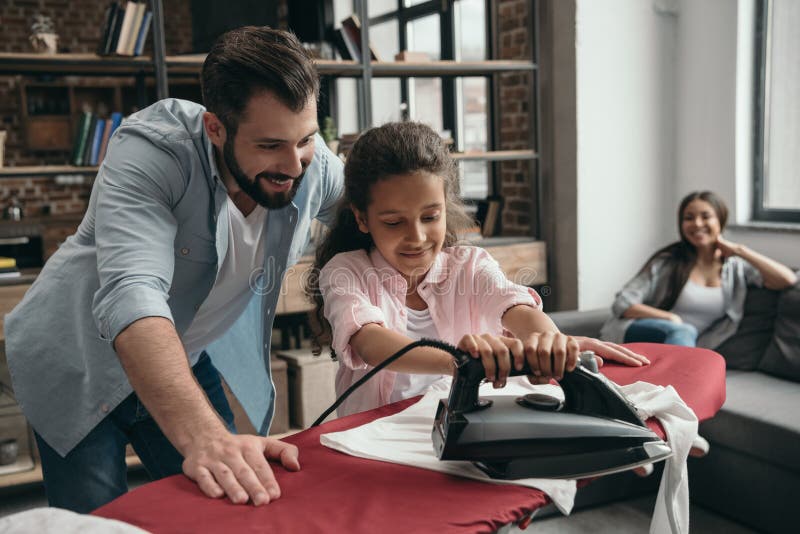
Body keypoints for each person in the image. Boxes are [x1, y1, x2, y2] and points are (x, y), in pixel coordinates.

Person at [5, 27, 344, 513]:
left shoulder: (312, 164)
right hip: (77, 359)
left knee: (231, 505)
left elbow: (376, 217)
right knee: (100, 521)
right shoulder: (153, 150)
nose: (294, 164)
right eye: (270, 145)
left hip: (181, 354)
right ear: (215, 128)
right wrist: (205, 437)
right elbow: (133, 294)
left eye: (306, 139)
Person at [307, 122, 649, 417]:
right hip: (375, 439)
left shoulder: (469, 266)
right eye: (394, 222)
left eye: (430, 217)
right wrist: (464, 361)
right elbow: (370, 342)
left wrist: (547, 340)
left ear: (446, 207)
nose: (417, 237)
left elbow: (513, 305)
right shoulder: (346, 271)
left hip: (461, 428)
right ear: (362, 218)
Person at [600, 190, 797, 348]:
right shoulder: (667, 261)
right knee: (684, 331)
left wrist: (740, 250)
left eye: (706, 216)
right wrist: (670, 317)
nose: (697, 224)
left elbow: (787, 280)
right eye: (689, 218)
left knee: (686, 336)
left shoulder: (735, 268)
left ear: (720, 220)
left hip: (686, 346)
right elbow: (623, 303)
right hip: (643, 333)